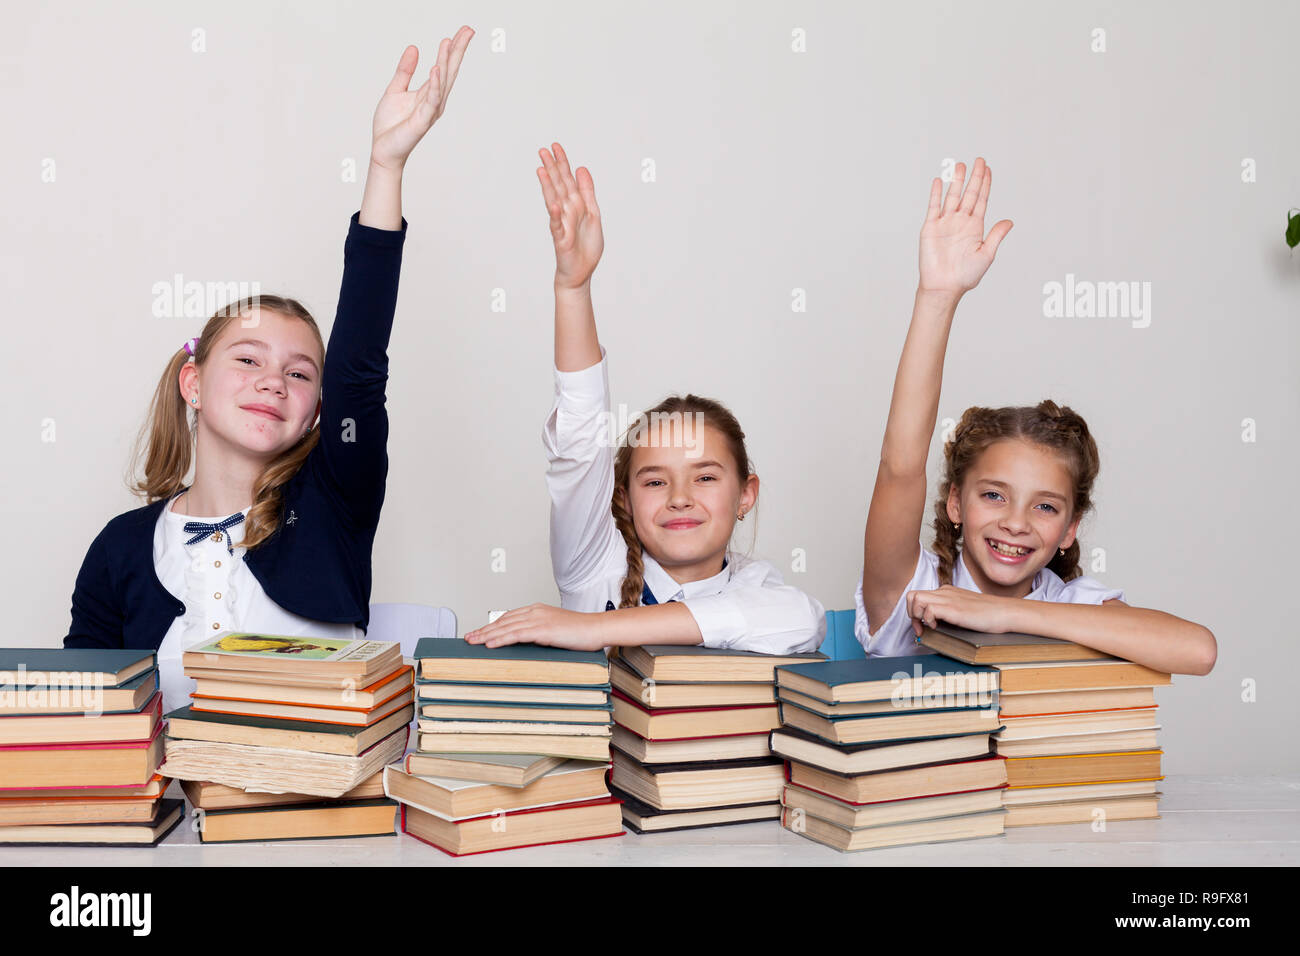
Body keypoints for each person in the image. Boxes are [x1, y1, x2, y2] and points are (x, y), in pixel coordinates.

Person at [64, 30, 475, 710]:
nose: (272, 382)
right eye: (248, 359)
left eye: (299, 374)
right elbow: (86, 716)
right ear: (192, 383)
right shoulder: (121, 548)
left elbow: (359, 362)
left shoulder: (333, 503)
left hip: (315, 811)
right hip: (176, 811)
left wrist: (385, 166)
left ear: (318, 409)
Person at [856, 157, 1216, 675]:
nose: (1016, 523)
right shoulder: (914, 590)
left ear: (1070, 528)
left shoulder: (1065, 601)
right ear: (956, 502)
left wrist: (1008, 614)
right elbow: (901, 467)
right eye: (993, 495)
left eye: (1046, 508)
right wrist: (938, 297)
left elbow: (1198, 651)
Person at [466, 144, 825, 655]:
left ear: (746, 494)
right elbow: (580, 436)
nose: (680, 497)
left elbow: (803, 622)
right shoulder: (595, 564)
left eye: (704, 477)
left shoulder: (760, 590)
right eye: (655, 480)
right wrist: (573, 288)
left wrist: (589, 629)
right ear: (625, 501)